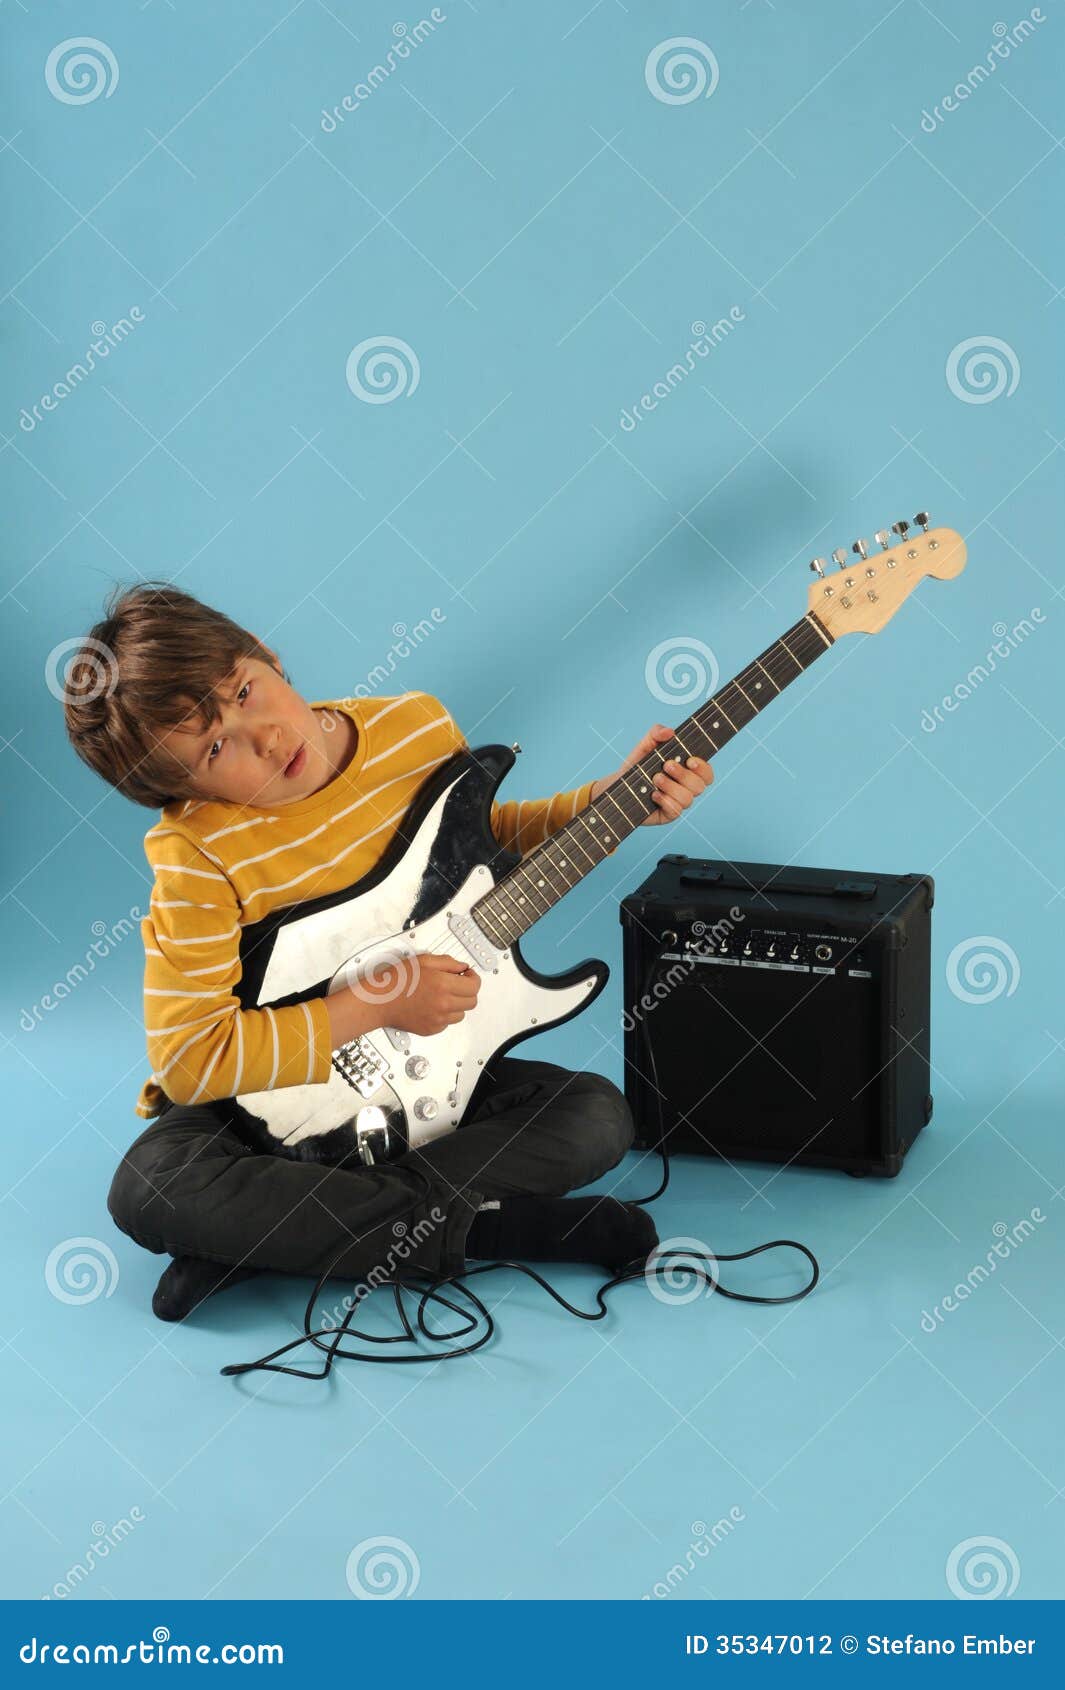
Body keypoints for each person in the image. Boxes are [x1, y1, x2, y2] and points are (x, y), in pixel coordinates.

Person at [63, 583, 713, 1322]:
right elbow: (191, 1058)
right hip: (254, 1119)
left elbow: (475, 850)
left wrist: (612, 799)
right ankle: (490, 1230)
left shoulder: (413, 726)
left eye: (245, 691)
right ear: (180, 791)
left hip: (431, 1080)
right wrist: (372, 1003)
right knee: (151, 1185)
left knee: (595, 1115)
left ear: (270, 657)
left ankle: (274, 1239)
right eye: (215, 749)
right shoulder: (194, 852)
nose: (267, 739)